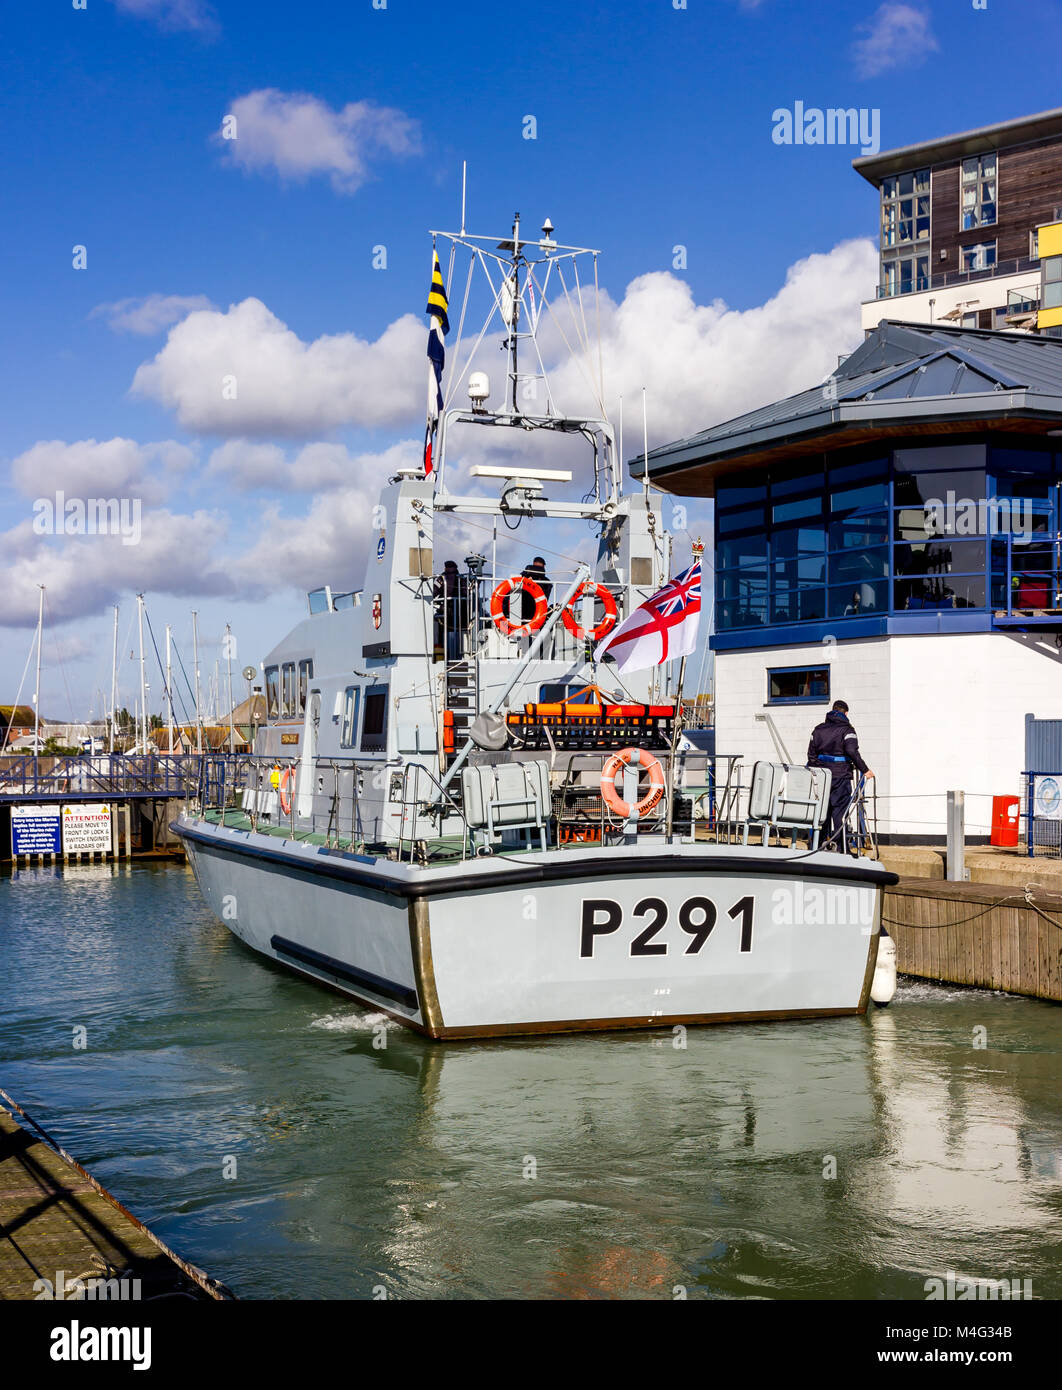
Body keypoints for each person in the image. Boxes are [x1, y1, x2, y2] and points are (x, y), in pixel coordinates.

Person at [807, 699, 874, 852]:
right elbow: (852, 751)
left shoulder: (818, 730)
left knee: (822, 811)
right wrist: (865, 770)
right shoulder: (847, 730)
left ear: (832, 710)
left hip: (822, 777)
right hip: (840, 776)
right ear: (846, 713)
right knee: (839, 813)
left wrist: (818, 770)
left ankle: (817, 845)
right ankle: (841, 847)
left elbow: (811, 755)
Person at [434, 560, 469, 660]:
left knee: (436, 623)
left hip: (446, 614)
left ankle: (440, 653)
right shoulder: (461, 578)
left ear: (445, 568)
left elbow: (434, 591)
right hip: (461, 615)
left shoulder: (442, 579)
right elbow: (466, 593)